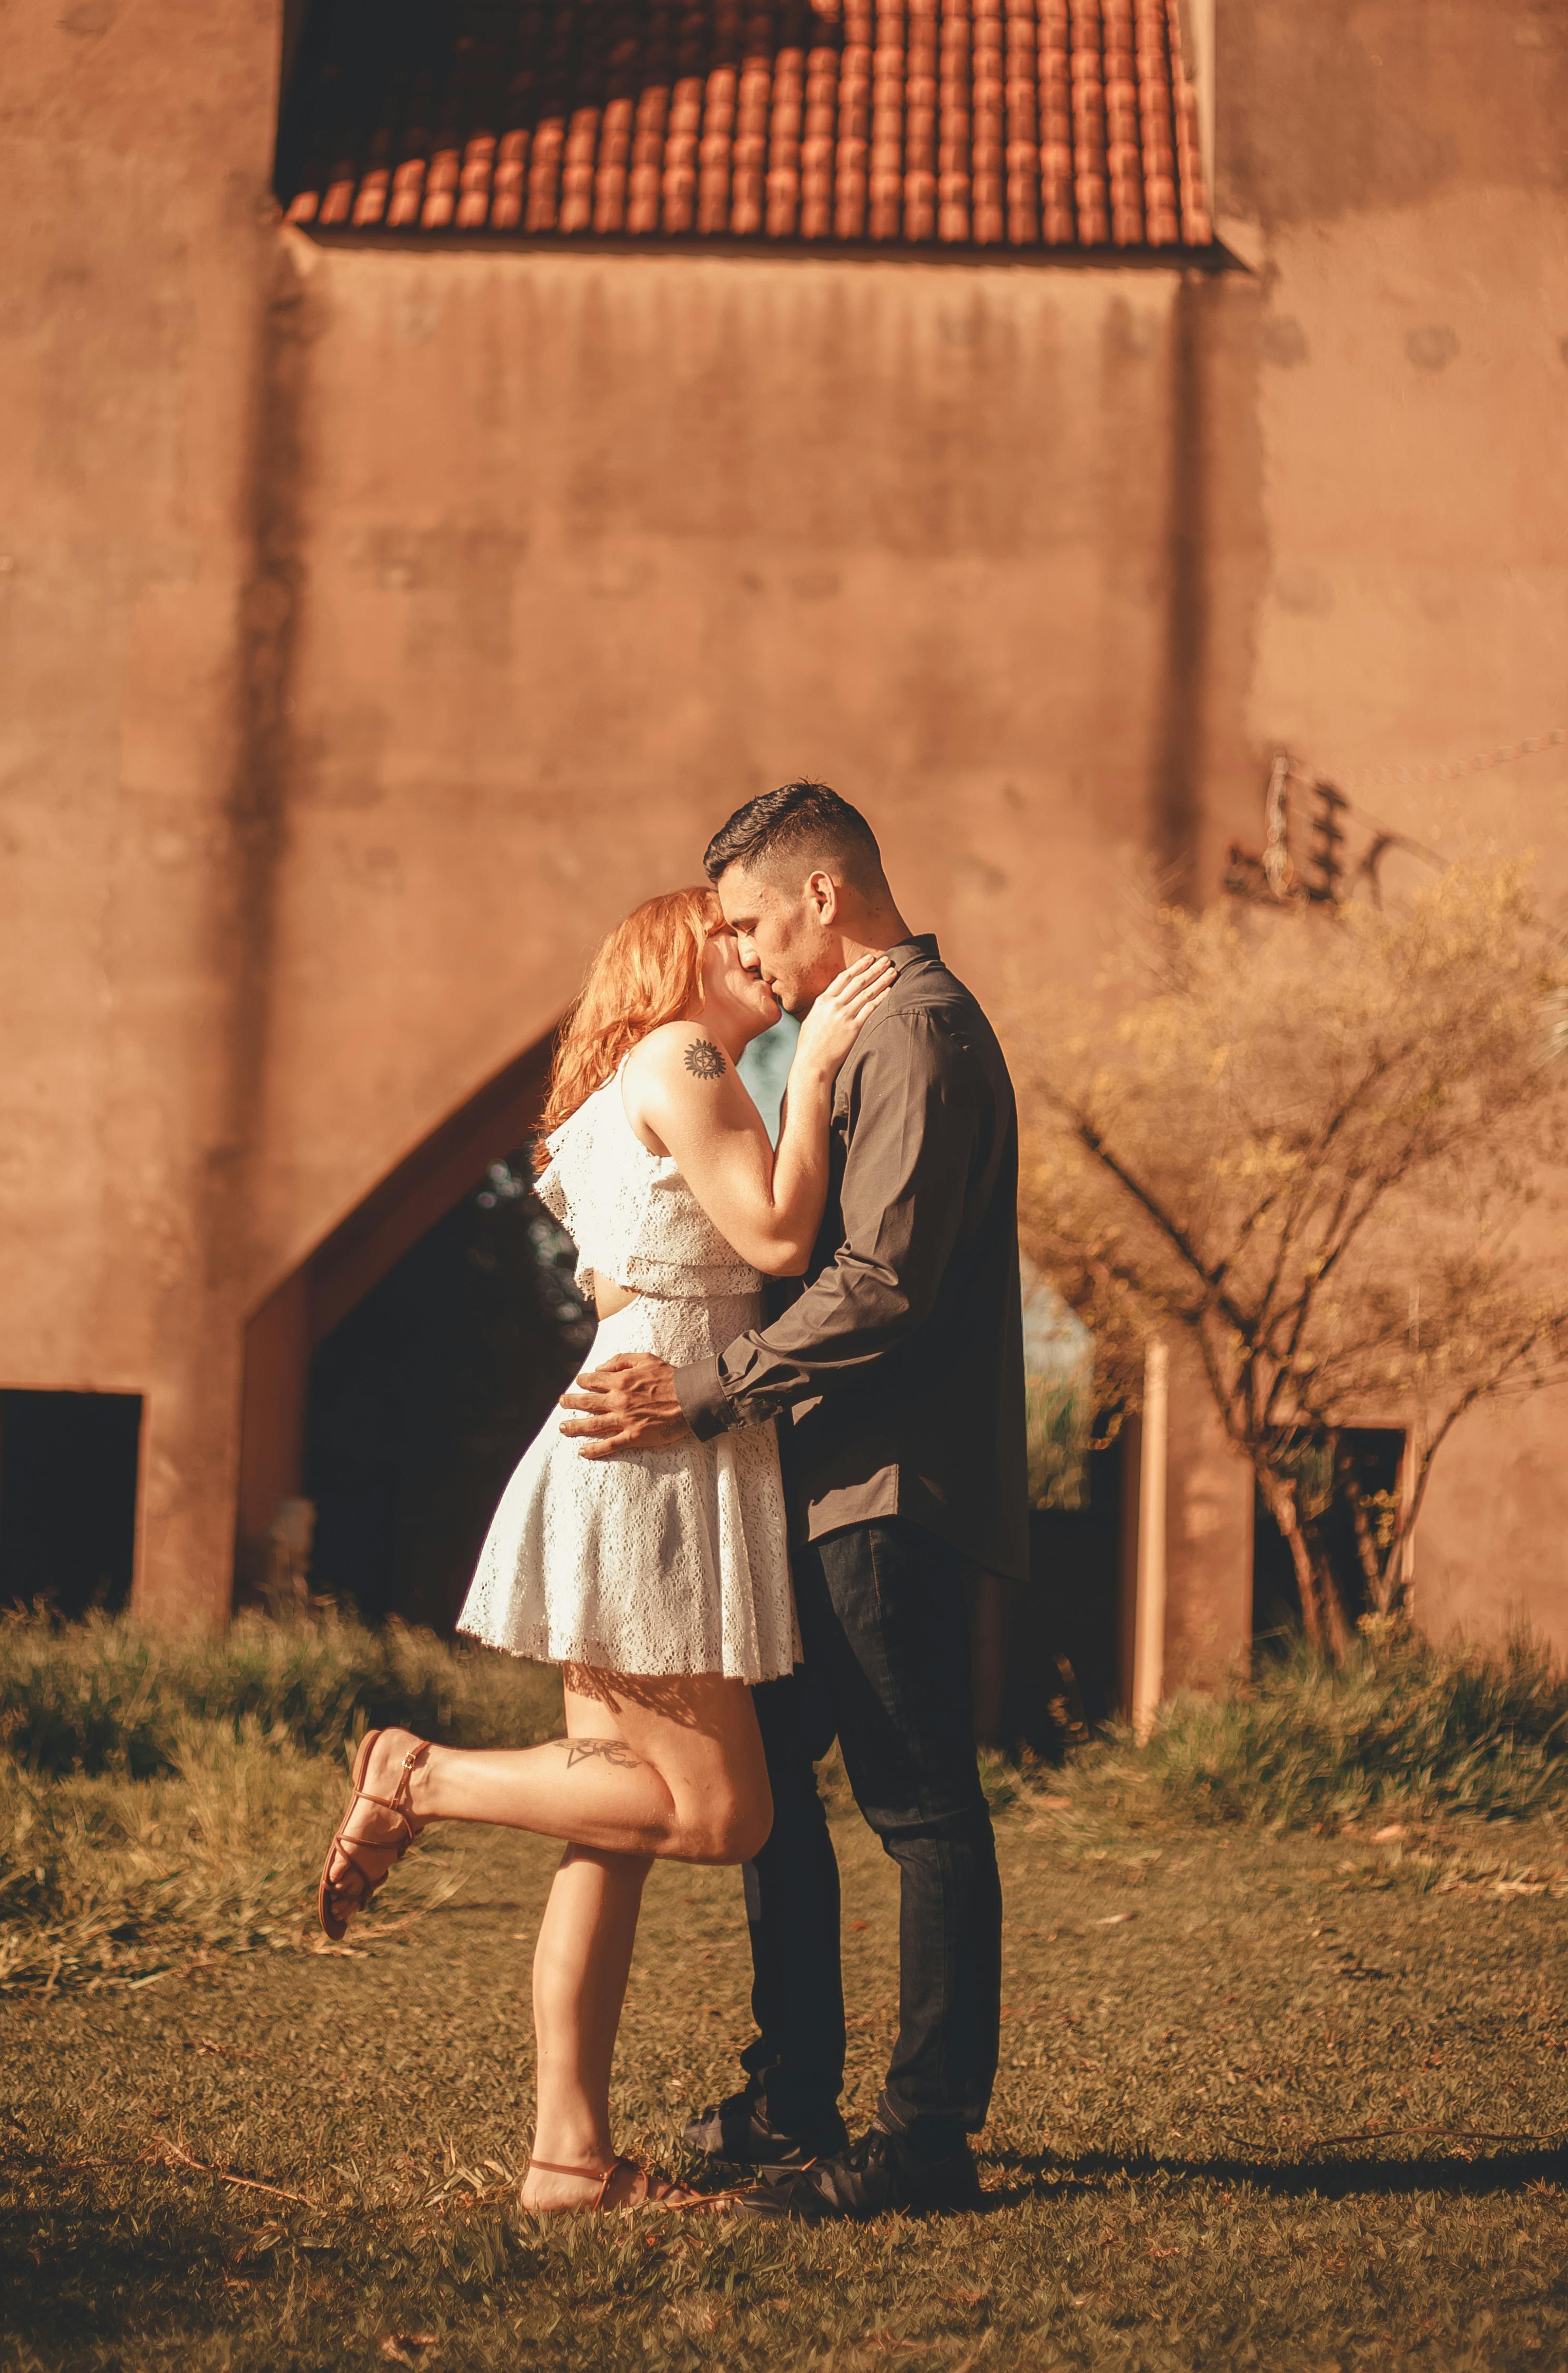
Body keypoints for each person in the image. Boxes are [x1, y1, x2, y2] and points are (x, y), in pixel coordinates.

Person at [315, 882, 895, 2216]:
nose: (753, 950)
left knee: (614, 1826)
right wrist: (810, 1073)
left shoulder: (601, 1103)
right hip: (656, 1451)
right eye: (729, 931)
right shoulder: (687, 1054)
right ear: (671, 953)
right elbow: (776, 1235)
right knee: (723, 1812)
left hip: (637, 1436)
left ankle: (565, 2160)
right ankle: (424, 1776)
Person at [560, 784, 1028, 2221]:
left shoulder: (915, 1028)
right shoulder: (862, 1034)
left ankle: (925, 2137)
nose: (754, 955)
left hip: (886, 1479)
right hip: (823, 1475)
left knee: (921, 1805)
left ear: (822, 892)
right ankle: (786, 2097)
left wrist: (712, 1390)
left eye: (758, 918)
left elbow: (881, 1280)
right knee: (769, 1789)